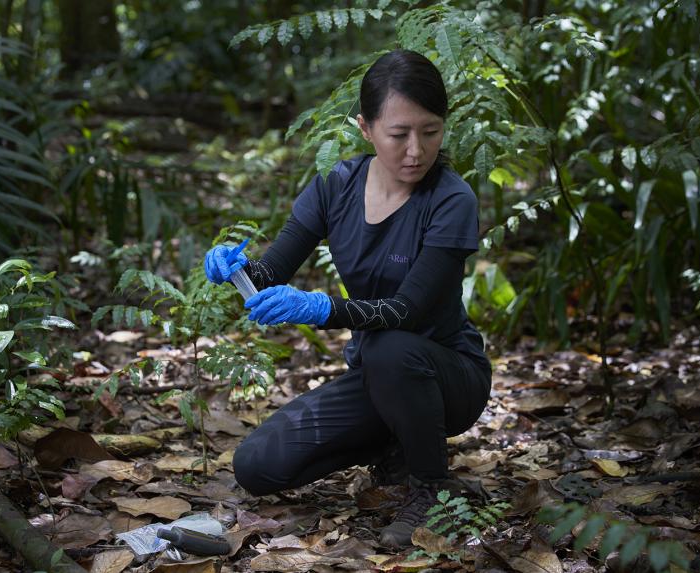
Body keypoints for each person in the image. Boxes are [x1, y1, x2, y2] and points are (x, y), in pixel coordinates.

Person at [204, 49, 492, 548]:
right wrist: (237, 271)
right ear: (365, 128)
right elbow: (271, 273)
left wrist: (321, 308)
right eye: (398, 134)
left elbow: (405, 311)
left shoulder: (451, 200)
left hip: (449, 377)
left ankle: (433, 490)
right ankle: (395, 447)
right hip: (379, 375)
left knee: (388, 346)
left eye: (431, 131)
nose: (416, 150)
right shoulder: (335, 185)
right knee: (257, 465)